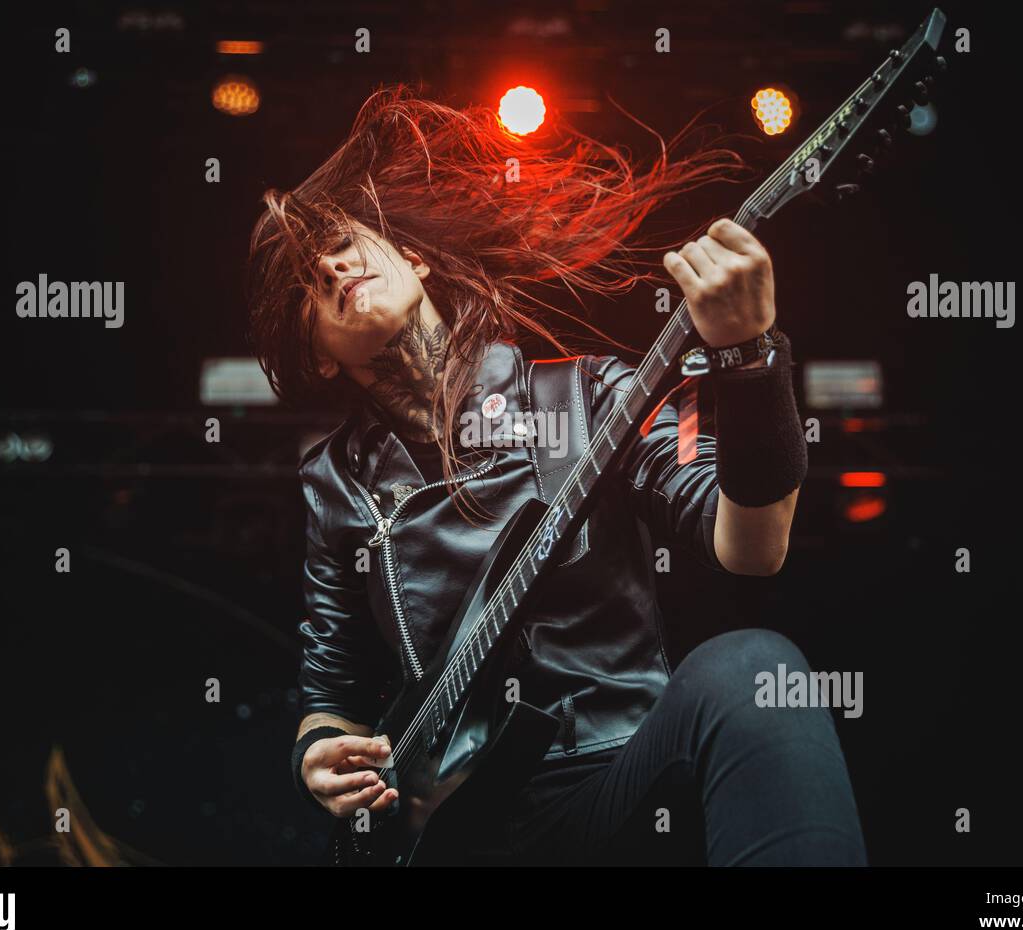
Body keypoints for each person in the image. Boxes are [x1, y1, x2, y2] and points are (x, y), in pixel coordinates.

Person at [247, 86, 867, 865]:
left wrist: (749, 359)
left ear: (415, 257)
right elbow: (331, 692)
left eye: (343, 242)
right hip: (460, 829)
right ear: (314, 353)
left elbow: (752, 546)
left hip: (614, 785)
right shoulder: (335, 481)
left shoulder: (593, 395)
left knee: (754, 668)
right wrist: (322, 756)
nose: (333, 267)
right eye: (307, 279)